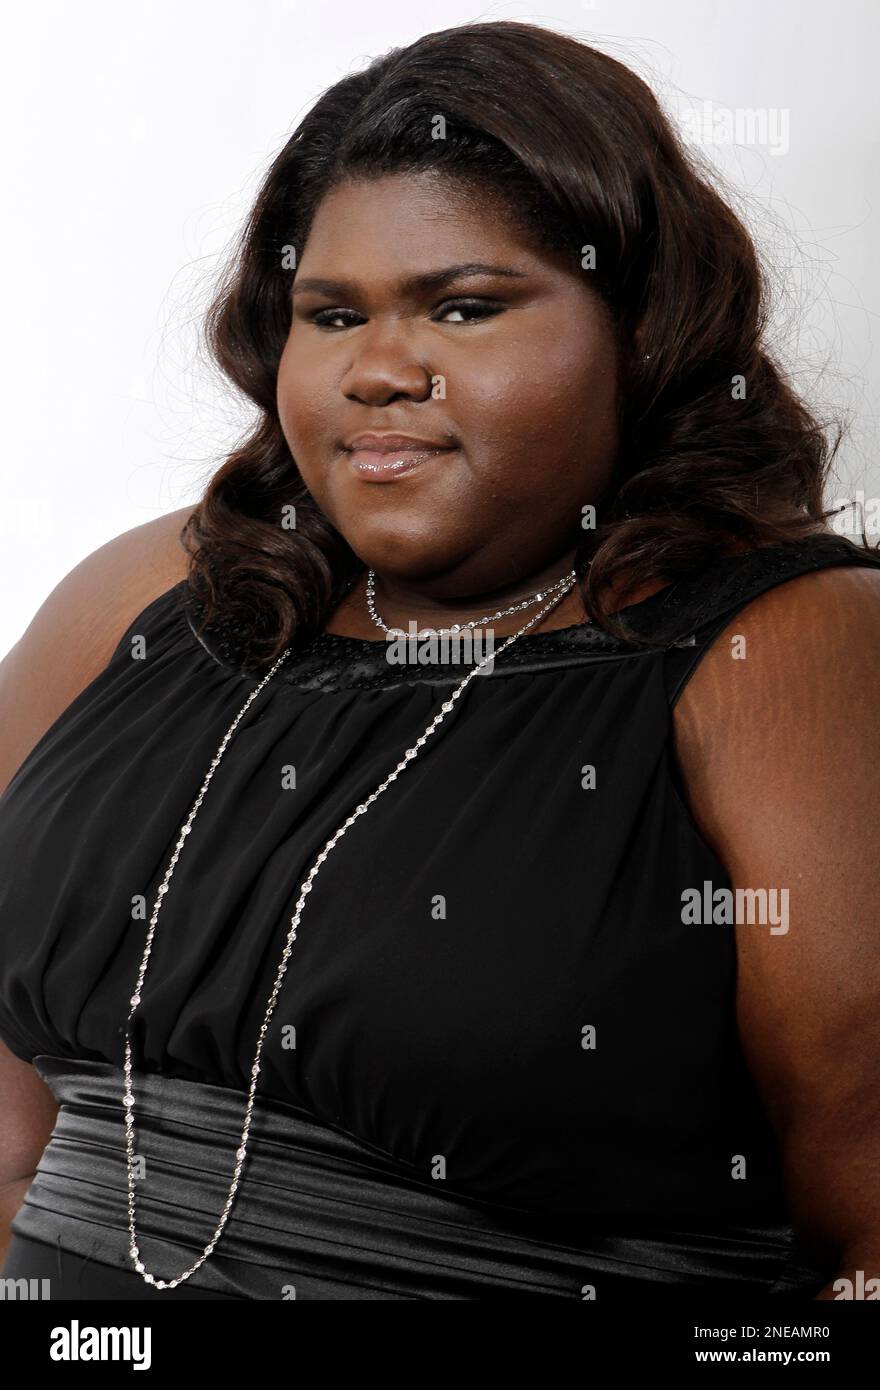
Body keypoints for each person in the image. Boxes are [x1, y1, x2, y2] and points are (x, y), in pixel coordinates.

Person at [1, 19, 879, 1301]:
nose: (379, 371)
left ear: (640, 328)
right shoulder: (149, 593)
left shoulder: (789, 654)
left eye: (465, 308)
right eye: (331, 312)